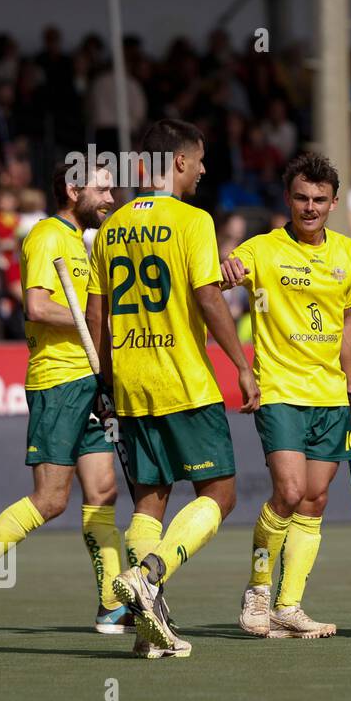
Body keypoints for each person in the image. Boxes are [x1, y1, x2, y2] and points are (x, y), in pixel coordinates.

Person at [0, 159, 122, 634]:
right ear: (74, 190)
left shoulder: (79, 241)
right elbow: (35, 305)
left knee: (102, 492)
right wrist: (91, 323)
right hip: (58, 383)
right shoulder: (46, 237)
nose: (111, 200)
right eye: (103, 190)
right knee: (51, 499)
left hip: (88, 382)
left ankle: (112, 603)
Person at [89, 120, 259, 659]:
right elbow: (208, 297)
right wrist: (242, 363)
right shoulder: (192, 220)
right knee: (221, 495)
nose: (205, 169)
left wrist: (103, 378)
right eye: (200, 159)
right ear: (179, 163)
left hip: (131, 380)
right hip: (183, 379)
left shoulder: (111, 227)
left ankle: (146, 633)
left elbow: (98, 310)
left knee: (149, 500)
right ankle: (152, 572)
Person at [226, 152, 351, 640]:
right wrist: (226, 270)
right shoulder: (261, 249)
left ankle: (289, 604)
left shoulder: (346, 251)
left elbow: (347, 324)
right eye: (301, 198)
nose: (310, 207)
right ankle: (259, 588)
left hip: (330, 394)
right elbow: (223, 275)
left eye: (319, 200)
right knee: (288, 492)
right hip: (279, 389)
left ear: (333, 203)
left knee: (316, 499)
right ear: (288, 199)